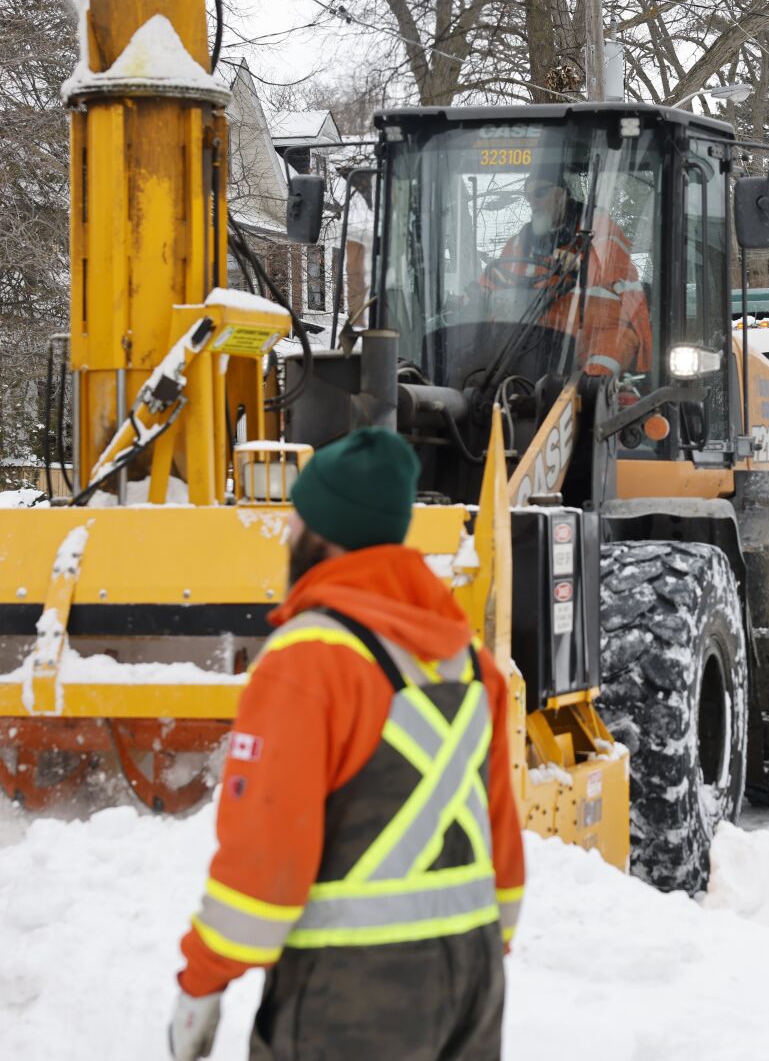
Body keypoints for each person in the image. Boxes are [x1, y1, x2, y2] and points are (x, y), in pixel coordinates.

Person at [169, 427, 526, 1061]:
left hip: (356, 992)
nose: (287, 534)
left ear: (322, 532)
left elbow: (265, 866)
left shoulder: (309, 661)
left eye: (296, 518)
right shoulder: (469, 663)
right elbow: (501, 835)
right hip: (475, 986)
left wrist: (202, 982)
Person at [488, 171, 652, 381]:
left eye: (539, 193)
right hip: (538, 338)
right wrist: (475, 296)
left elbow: (613, 267)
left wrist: (581, 265)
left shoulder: (599, 228)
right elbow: (496, 278)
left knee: (592, 386)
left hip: (600, 332)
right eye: (527, 196)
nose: (532, 201)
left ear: (561, 194)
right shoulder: (520, 242)